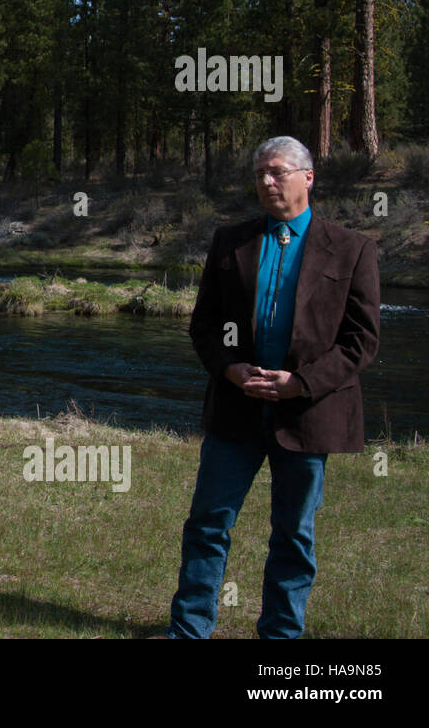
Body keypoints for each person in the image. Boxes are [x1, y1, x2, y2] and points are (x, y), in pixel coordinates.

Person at [165, 135, 380, 638]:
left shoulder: (353, 250)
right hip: (235, 410)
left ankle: (281, 636)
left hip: (307, 414)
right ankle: (189, 631)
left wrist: (301, 383)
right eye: (260, 172)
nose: (266, 182)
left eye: (277, 171)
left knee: (293, 533)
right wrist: (229, 369)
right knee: (207, 525)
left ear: (308, 177)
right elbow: (206, 327)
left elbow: (361, 341)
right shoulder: (230, 242)